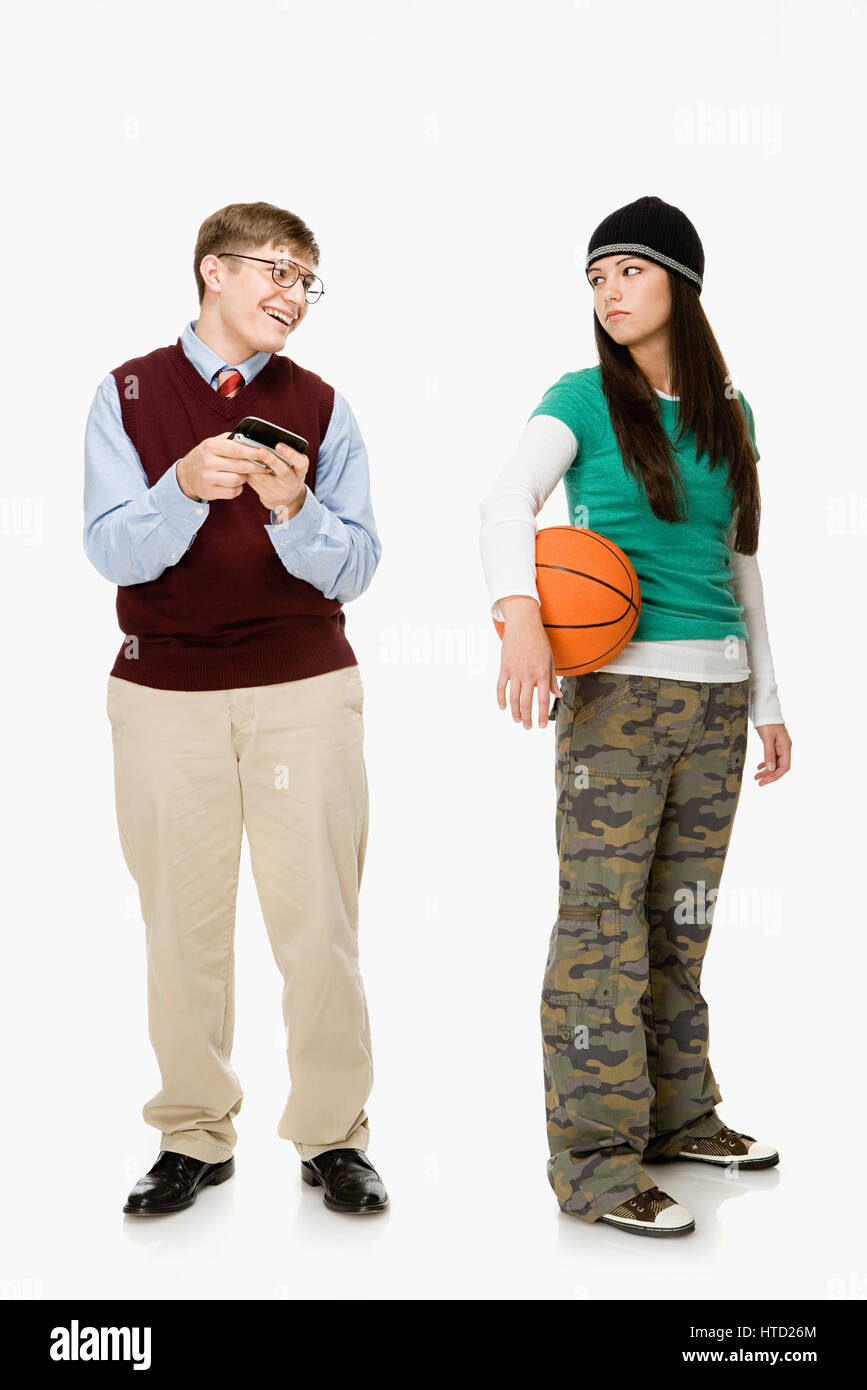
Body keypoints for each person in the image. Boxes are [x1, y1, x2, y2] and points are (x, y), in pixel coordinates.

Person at [479, 195, 791, 1237]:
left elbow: (741, 560)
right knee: (601, 927)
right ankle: (597, 1165)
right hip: (618, 697)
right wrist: (517, 613)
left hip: (718, 698)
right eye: (597, 276)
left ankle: (679, 1115)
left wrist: (771, 701)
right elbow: (501, 503)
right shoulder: (578, 396)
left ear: (681, 285)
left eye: (630, 271)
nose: (609, 292)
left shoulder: (730, 414)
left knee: (682, 919)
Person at [84, 201, 389, 1216]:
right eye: (276, 271)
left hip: (305, 689)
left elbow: (361, 564)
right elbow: (111, 551)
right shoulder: (125, 392)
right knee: (181, 925)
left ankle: (333, 1136)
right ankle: (191, 1134)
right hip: (164, 697)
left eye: (307, 280)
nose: (293, 295)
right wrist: (180, 486)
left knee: (320, 927)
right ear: (213, 270)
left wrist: (295, 510)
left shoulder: (323, 404)